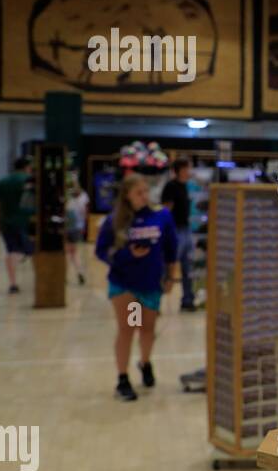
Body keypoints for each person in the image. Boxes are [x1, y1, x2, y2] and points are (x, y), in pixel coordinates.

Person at [95, 174, 177, 402]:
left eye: (145, 191)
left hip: (151, 283)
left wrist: (171, 276)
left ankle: (145, 362)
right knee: (128, 328)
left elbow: (171, 248)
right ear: (127, 196)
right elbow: (101, 251)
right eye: (138, 192)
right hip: (125, 283)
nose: (144, 196)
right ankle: (123, 378)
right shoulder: (115, 220)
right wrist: (126, 254)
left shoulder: (162, 216)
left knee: (148, 329)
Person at [160, 158, 196, 311]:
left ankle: (187, 300)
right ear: (181, 169)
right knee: (168, 267)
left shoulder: (186, 186)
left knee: (188, 267)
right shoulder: (171, 186)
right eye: (188, 168)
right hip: (174, 231)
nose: (190, 171)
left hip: (186, 230)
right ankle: (155, 302)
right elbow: (166, 209)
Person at [0, 156, 34, 294]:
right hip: (25, 221)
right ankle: (38, 280)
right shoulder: (28, 181)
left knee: (11, 251)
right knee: (31, 250)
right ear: (27, 167)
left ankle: (13, 283)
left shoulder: (2, 182)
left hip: (6, 222)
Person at [64, 177, 90, 285]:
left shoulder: (66, 197)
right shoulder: (83, 196)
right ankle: (79, 272)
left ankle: (64, 276)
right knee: (74, 253)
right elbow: (85, 213)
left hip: (66, 227)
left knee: (65, 253)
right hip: (77, 227)